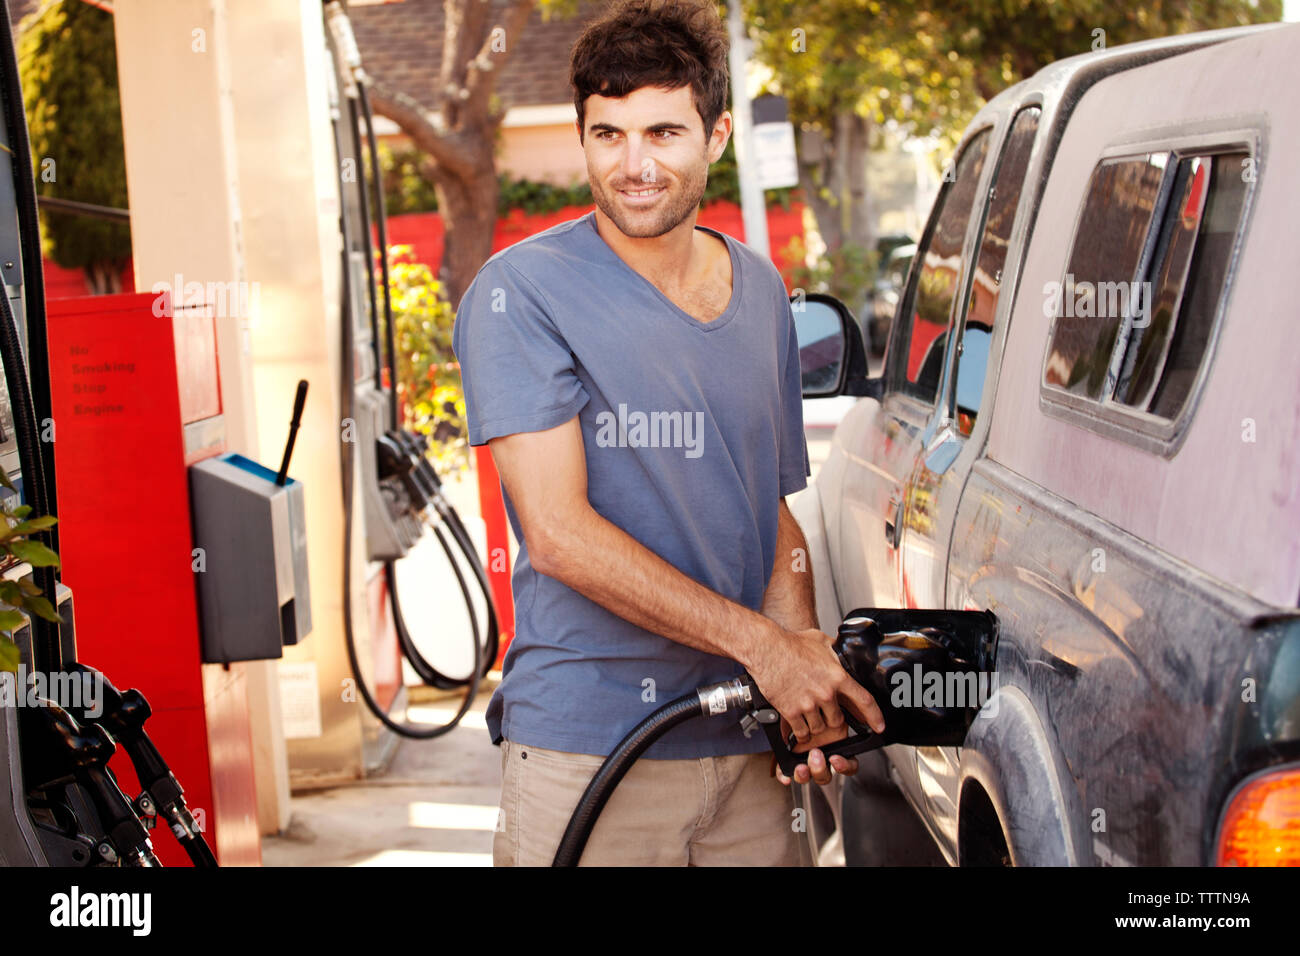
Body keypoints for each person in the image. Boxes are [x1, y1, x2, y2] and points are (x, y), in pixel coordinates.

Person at [451, 0, 884, 867]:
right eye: (607, 135)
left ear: (717, 134)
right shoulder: (520, 295)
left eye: (662, 132)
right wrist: (769, 651)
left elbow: (769, 516)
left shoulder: (761, 290)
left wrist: (799, 679)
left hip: (743, 745)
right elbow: (562, 538)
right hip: (589, 745)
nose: (634, 165)